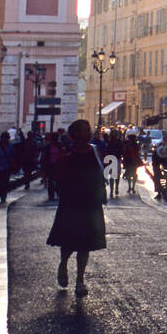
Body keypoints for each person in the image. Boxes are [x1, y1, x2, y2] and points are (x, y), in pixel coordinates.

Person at [46, 119, 107, 298]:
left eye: (88, 130)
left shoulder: (95, 151)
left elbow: (100, 173)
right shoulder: (67, 154)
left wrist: (100, 191)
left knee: (85, 243)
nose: (87, 133)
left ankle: (80, 280)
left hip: (89, 202)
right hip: (72, 202)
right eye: (83, 130)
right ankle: (63, 264)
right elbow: (59, 176)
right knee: (68, 241)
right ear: (74, 134)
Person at [0, 133, 15, 203]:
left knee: (5, 183)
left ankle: (3, 196)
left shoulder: (10, 146)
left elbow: (13, 155)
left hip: (6, 167)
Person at [151, 132, 167, 198]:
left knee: (165, 175)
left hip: (165, 162)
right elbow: (154, 161)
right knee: (157, 177)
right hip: (157, 161)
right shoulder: (159, 147)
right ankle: (159, 191)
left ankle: (164, 188)